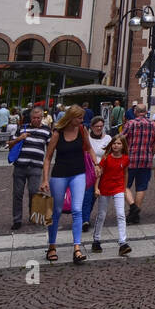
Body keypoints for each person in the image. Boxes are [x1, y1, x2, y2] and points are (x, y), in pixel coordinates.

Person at [39, 105, 94, 264]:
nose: (81, 121)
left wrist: (96, 165)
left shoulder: (82, 130)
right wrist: (44, 179)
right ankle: (52, 245)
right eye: (79, 118)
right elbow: (48, 158)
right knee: (56, 211)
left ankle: (77, 248)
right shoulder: (58, 133)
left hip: (78, 173)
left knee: (77, 210)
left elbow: (89, 148)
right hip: (60, 175)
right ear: (71, 118)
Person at [10, 105, 50, 230]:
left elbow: (50, 150)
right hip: (20, 165)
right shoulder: (22, 128)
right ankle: (17, 219)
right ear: (30, 117)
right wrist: (20, 138)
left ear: (42, 118)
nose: (36, 120)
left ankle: (34, 216)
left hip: (36, 166)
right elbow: (9, 144)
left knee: (34, 192)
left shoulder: (47, 131)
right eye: (34, 118)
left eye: (39, 118)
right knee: (17, 194)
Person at [92, 134, 131, 256]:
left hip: (118, 188)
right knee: (102, 215)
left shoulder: (125, 158)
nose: (116, 145)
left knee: (121, 214)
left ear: (123, 145)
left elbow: (125, 173)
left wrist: (124, 188)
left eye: (119, 143)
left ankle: (123, 242)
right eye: (114, 143)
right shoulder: (106, 158)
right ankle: (96, 240)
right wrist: (96, 187)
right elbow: (99, 173)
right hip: (105, 188)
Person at [121, 105, 155, 223]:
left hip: (130, 159)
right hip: (146, 159)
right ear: (146, 112)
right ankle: (135, 214)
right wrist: (151, 154)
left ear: (135, 111)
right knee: (141, 187)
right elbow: (154, 143)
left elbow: (121, 138)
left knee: (124, 185)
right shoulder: (153, 124)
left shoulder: (130, 123)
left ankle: (133, 207)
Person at [82, 117, 111, 237]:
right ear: (91, 127)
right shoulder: (87, 138)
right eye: (96, 126)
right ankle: (85, 220)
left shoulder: (108, 138)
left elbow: (109, 154)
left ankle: (92, 217)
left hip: (103, 171)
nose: (99, 128)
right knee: (87, 195)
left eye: (101, 126)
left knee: (98, 196)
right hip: (89, 170)